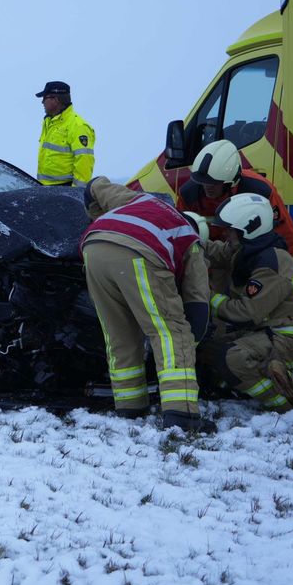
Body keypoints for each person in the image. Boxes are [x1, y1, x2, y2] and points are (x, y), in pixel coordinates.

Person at [81, 176, 212, 431]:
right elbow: (198, 305)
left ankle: (130, 406)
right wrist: (190, 340)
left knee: (119, 334)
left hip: (93, 247)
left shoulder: (142, 200)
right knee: (170, 331)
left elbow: (95, 187)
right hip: (139, 250)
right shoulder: (191, 242)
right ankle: (182, 415)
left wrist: (95, 216)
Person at [197, 193, 293, 411]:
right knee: (207, 349)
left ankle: (291, 400)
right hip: (270, 331)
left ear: (248, 228)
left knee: (233, 357)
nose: (225, 233)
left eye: (229, 229)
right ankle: (242, 383)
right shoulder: (246, 249)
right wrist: (191, 242)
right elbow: (218, 252)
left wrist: (205, 295)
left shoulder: (270, 265)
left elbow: (245, 312)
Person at [178, 139, 293, 254]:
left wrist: (276, 264)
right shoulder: (189, 194)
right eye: (203, 182)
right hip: (212, 261)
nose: (207, 187)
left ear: (232, 181)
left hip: (252, 259)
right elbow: (181, 234)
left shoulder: (260, 191)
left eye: (215, 183)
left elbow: (285, 234)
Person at [35, 81, 94, 186]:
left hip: (64, 189)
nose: (42, 102)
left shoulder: (78, 126)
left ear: (56, 100)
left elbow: (84, 161)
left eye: (45, 98)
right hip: (45, 188)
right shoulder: (48, 121)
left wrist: (77, 193)